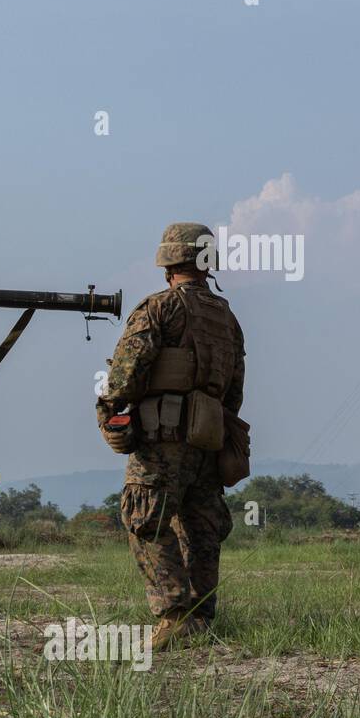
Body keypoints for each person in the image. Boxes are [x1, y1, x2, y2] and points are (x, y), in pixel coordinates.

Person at [96, 223, 246, 649]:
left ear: (166, 264)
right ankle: (201, 617)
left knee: (145, 518)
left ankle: (174, 613)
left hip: (162, 439)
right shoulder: (228, 319)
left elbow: (126, 372)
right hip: (207, 437)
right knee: (201, 525)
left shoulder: (159, 308)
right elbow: (234, 390)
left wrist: (108, 413)